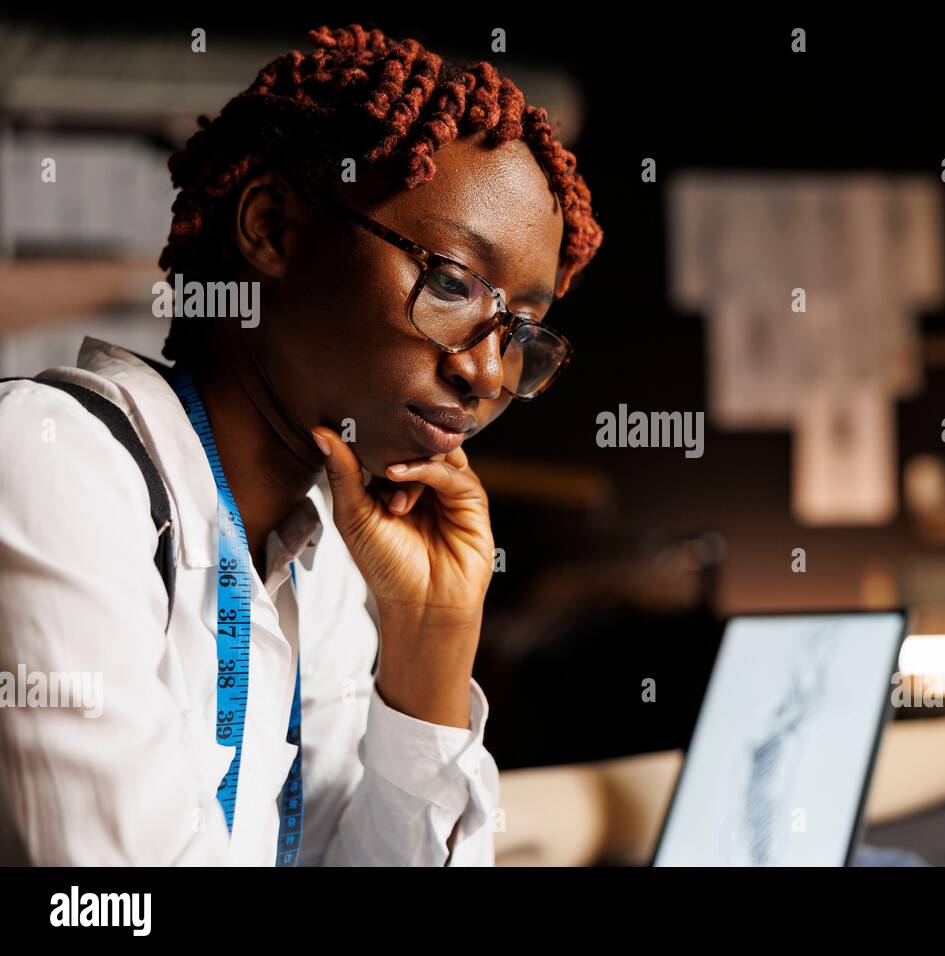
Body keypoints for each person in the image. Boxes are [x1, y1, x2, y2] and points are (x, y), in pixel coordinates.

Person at [0, 23, 603, 865]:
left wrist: (427, 654)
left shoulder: (315, 567)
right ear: (274, 227)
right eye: (453, 283)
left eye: (522, 330)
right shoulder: (53, 465)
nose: (487, 370)